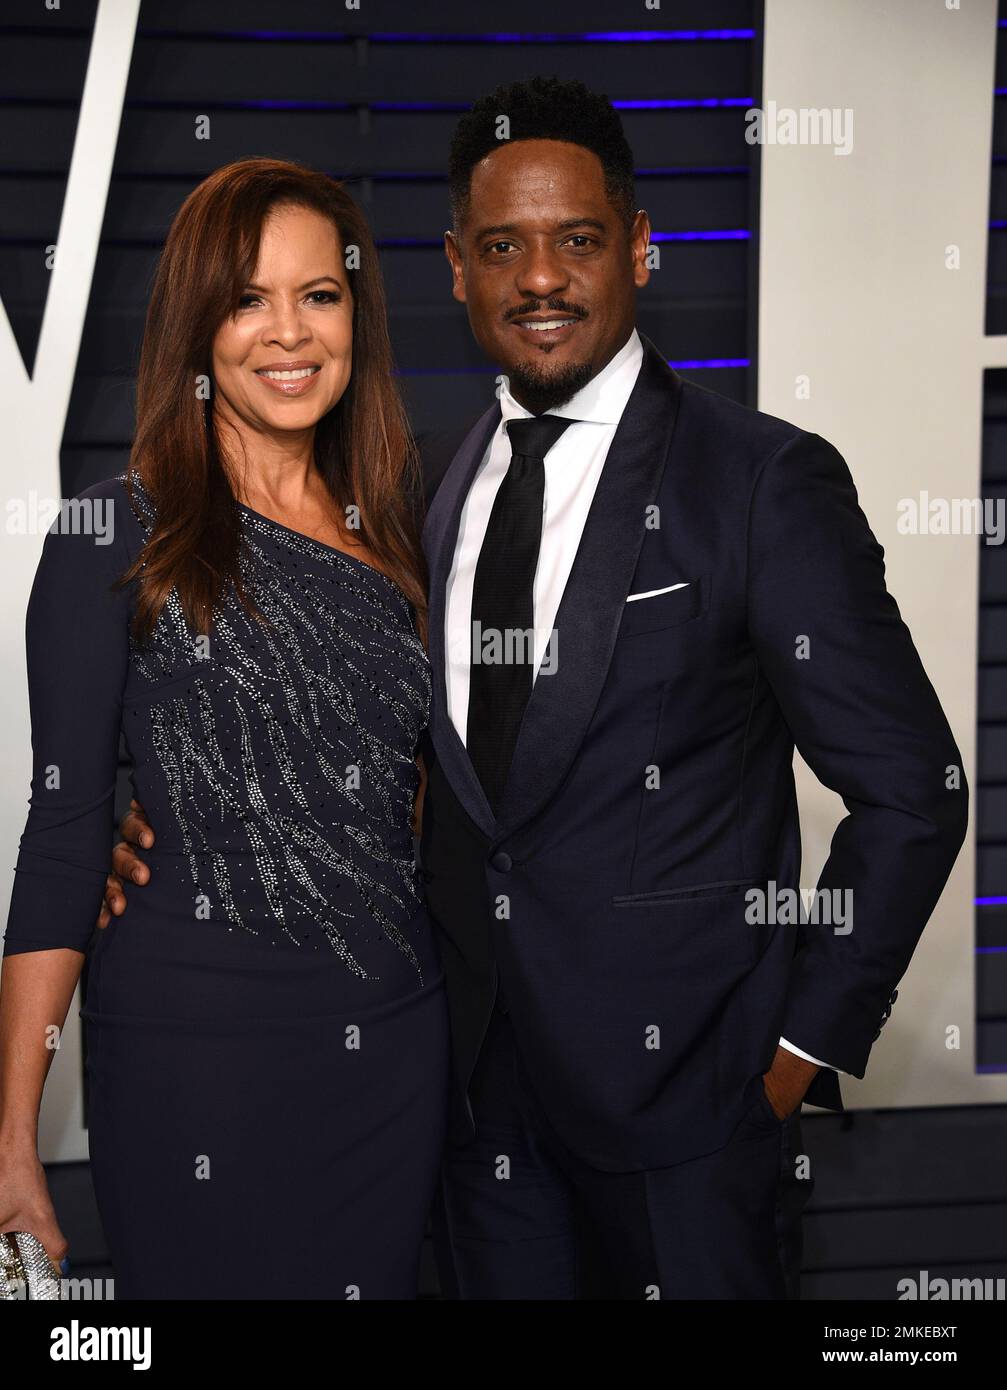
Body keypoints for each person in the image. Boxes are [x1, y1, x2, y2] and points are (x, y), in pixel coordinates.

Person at [106, 79, 969, 1300]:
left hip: (686, 1126)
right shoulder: (423, 494)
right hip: (466, 1118)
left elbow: (912, 790)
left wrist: (795, 1048)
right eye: (502, 246)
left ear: (640, 247)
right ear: (456, 267)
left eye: (576, 239)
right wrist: (144, 830)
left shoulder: (760, 480)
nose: (539, 278)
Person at [0, 157, 448, 1300]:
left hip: (393, 1048)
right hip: (195, 1063)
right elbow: (61, 838)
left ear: (358, 312)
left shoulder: (404, 525)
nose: (286, 333)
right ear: (196, 324)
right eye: (246, 298)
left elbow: (426, 793)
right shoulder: (112, 532)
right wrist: (12, 1139)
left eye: (319, 294)